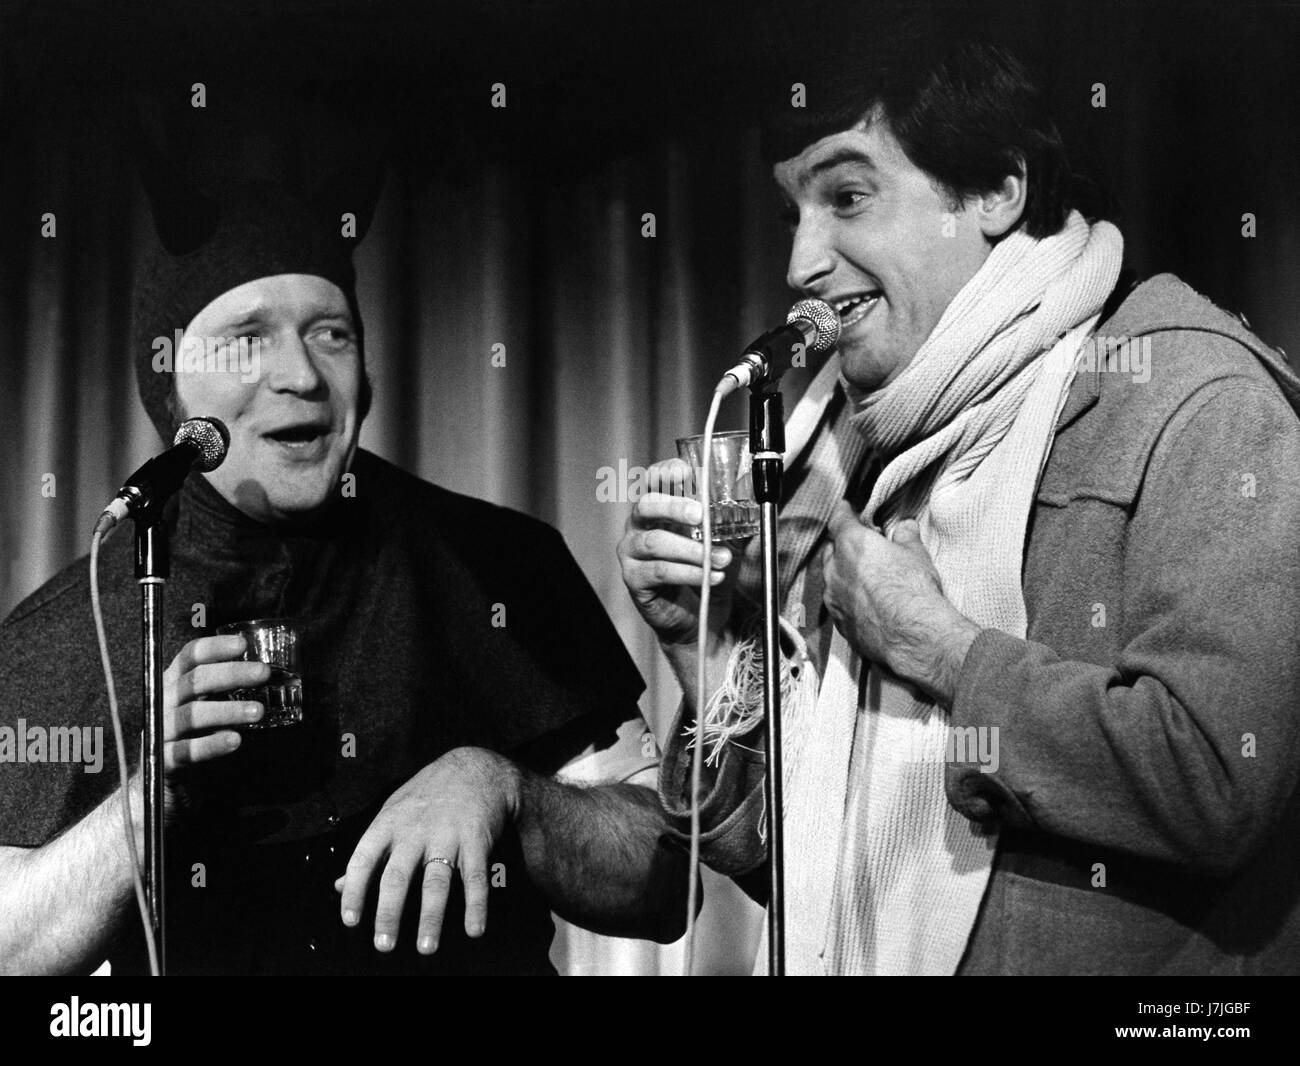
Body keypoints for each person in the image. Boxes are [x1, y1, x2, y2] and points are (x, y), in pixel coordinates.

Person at [619, 33, 1300, 975]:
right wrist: (706, 648)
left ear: (995, 192)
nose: (800, 263)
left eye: (847, 198)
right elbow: (803, 871)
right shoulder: (842, 453)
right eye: (791, 213)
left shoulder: (1193, 396)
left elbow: (1220, 780)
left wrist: (939, 649)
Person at [0, 177, 686, 975]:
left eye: (330, 333)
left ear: (366, 376)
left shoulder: (498, 562)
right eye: (247, 337)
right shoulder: (70, 623)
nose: (301, 374)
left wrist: (506, 790)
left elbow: (667, 886)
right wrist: (152, 796)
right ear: (169, 385)